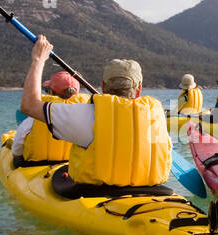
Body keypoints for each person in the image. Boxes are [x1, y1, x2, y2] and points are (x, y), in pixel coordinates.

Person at [19, 35, 170, 187]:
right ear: (139, 90)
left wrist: (38, 60)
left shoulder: (86, 114)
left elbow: (29, 105)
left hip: (94, 195)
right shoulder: (157, 118)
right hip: (151, 193)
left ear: (103, 86)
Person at [12, 71, 85, 164]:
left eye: (47, 90)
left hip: (36, 165)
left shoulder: (36, 117)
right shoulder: (86, 115)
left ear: (51, 92)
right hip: (71, 165)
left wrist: (16, 156)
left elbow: (17, 148)